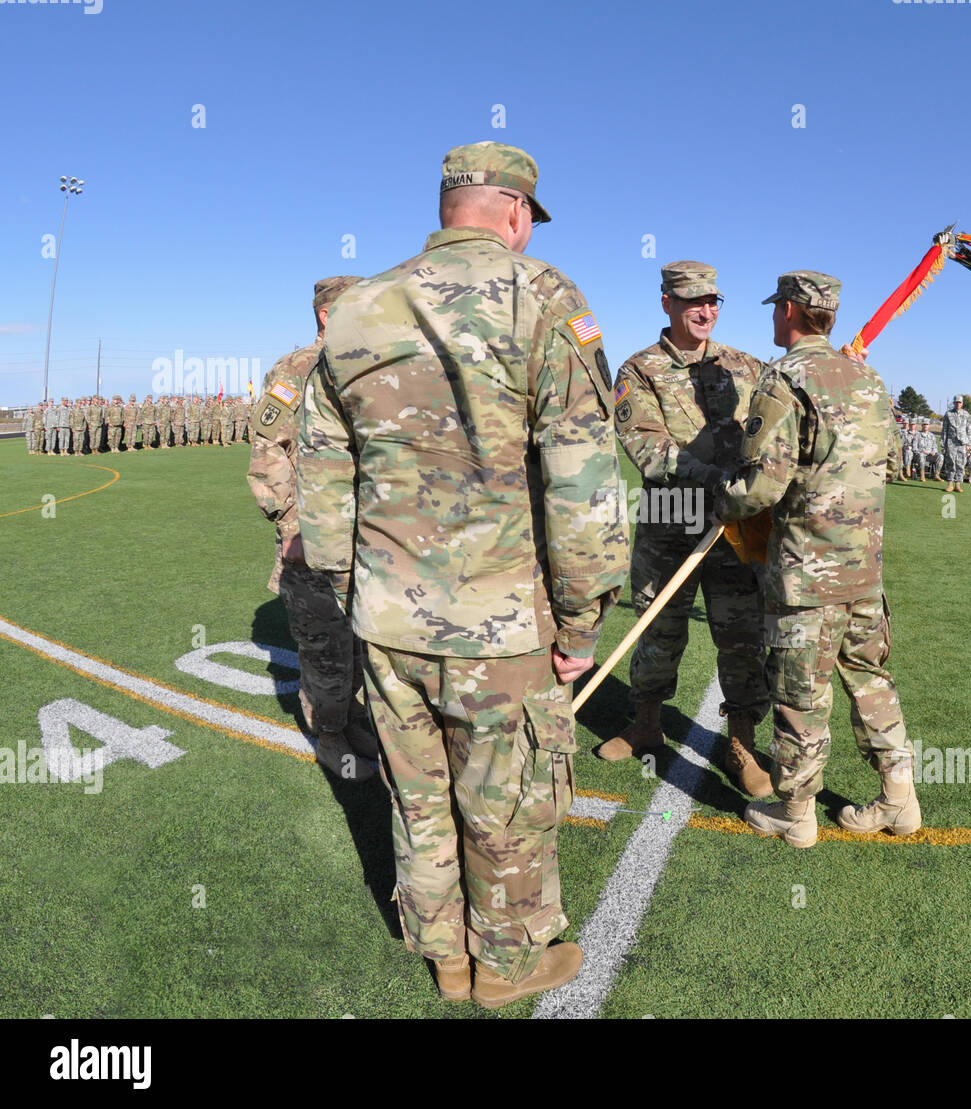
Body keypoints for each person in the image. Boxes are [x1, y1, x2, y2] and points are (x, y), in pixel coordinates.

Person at [297, 141, 628, 1008]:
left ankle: (444, 954)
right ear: (517, 213)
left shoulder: (359, 309)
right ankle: (507, 965)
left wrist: (349, 598)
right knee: (505, 802)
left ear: (450, 206)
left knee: (419, 797)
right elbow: (584, 478)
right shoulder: (543, 298)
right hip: (502, 622)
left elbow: (323, 487)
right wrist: (583, 624)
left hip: (385, 617)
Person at [714, 271, 920, 849]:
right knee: (872, 682)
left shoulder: (783, 378)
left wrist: (720, 500)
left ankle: (796, 813)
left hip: (807, 576)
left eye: (776, 309)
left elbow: (762, 486)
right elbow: (896, 463)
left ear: (789, 310)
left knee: (800, 697)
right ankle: (900, 799)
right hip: (864, 573)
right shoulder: (869, 378)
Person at [599, 260, 771, 797]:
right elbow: (648, 450)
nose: (705, 311)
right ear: (667, 304)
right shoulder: (637, 370)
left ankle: (740, 740)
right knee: (659, 629)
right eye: (693, 301)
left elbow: (781, 429)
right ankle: (646, 724)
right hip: (670, 522)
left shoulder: (748, 367)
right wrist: (717, 480)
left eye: (713, 301)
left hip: (735, 530)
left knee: (742, 637)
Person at [247, 275, 378, 784]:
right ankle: (330, 735)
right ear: (327, 314)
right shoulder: (297, 369)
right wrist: (289, 525)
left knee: (362, 640)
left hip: (367, 534)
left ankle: (355, 721)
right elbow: (266, 451)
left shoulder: (370, 366)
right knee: (324, 643)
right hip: (313, 534)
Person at [941, 394, 971, 493]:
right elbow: (944, 430)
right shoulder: (948, 414)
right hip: (951, 442)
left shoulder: (967, 415)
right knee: (951, 462)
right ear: (954, 403)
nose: (958, 404)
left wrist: (969, 444)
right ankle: (950, 483)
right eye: (956, 402)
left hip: (962, 443)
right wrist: (943, 444)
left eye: (959, 402)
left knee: (960, 463)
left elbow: (969, 430)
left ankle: (958, 484)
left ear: (962, 403)